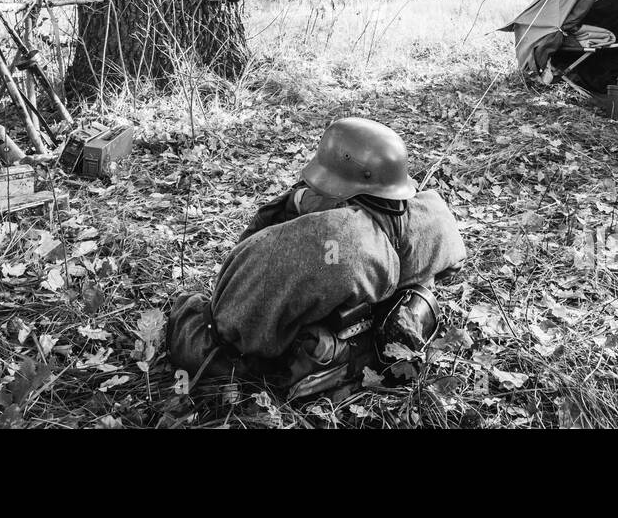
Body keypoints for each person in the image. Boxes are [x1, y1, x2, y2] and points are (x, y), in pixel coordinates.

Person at [167, 117, 466, 397]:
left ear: (345, 191)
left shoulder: (324, 242)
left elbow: (223, 326)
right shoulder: (434, 214)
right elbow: (452, 264)